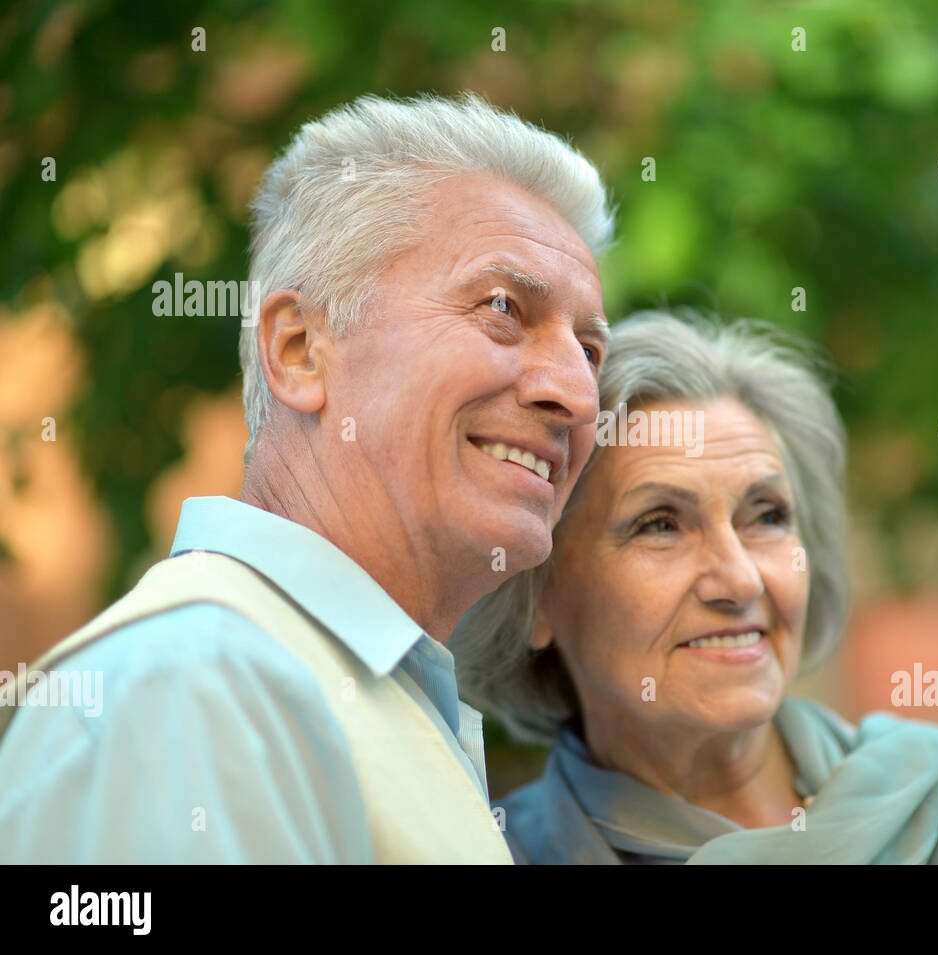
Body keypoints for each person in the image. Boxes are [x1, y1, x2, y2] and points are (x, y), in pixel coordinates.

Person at [0, 92, 614, 863]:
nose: (577, 393)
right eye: (502, 308)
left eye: (591, 350)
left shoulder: (321, 684)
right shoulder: (196, 687)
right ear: (297, 349)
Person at [451, 309, 938, 864]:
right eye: (661, 525)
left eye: (767, 516)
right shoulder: (485, 854)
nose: (740, 578)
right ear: (534, 594)